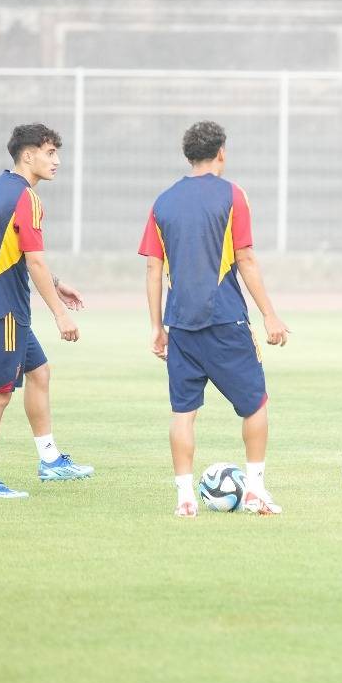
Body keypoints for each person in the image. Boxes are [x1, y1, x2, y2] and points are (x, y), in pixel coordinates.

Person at [140, 121, 291, 517]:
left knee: (183, 413)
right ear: (221, 151)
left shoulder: (163, 202)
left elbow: (153, 269)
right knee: (255, 405)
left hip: (181, 325)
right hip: (226, 321)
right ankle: (255, 491)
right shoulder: (233, 195)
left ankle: (185, 498)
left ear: (188, 155)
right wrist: (270, 315)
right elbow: (246, 259)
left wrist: (157, 327)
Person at [0, 123, 91, 498]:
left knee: (39, 372)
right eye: (50, 153)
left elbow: (14, 252)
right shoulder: (27, 198)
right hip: (3, 311)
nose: (57, 161)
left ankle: (50, 460)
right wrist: (60, 314)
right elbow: (33, 261)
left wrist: (56, 283)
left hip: (3, 308)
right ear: (28, 155)